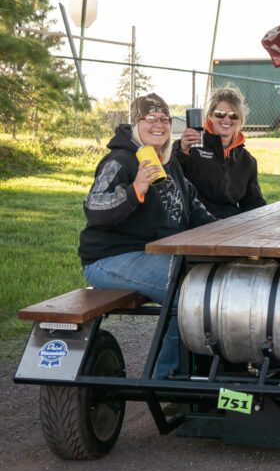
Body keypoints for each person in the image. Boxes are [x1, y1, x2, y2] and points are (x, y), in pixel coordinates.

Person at [79, 93, 216, 378]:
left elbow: (193, 207)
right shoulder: (119, 161)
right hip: (110, 258)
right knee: (189, 295)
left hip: (154, 255)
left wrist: (227, 232)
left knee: (210, 283)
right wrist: (135, 190)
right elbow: (94, 206)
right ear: (135, 123)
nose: (159, 124)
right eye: (150, 118)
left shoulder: (168, 161)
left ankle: (200, 370)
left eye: (164, 119)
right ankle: (166, 378)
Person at [175, 86, 266, 219]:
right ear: (210, 116)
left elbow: (253, 202)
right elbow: (171, 172)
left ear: (240, 120)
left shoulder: (246, 160)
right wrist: (181, 150)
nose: (227, 120)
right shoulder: (192, 146)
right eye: (220, 114)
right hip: (197, 222)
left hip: (231, 224)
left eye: (234, 115)